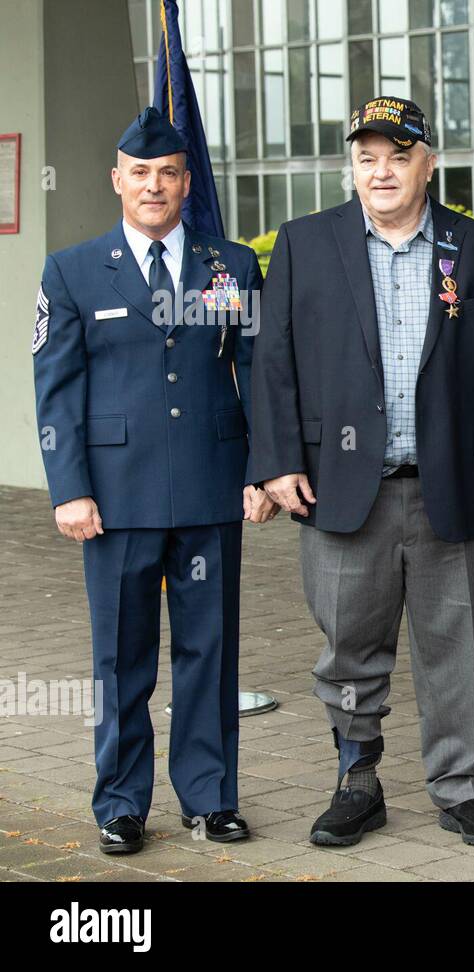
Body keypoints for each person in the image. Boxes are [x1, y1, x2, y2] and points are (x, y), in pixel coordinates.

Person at [249, 97, 474, 847]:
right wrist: (276, 463)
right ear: (353, 165)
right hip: (344, 489)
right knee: (350, 648)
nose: (381, 171)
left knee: (456, 648)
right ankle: (358, 779)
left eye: (398, 155)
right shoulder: (306, 244)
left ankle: (463, 787)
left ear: (428, 163)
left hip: (451, 482)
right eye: (367, 157)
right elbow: (273, 363)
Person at [32, 107, 272, 855]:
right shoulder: (72, 270)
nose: (154, 186)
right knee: (120, 656)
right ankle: (122, 803)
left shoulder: (230, 265)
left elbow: (260, 374)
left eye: (168, 173)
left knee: (211, 651)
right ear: (117, 181)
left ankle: (210, 797)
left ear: (185, 181)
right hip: (115, 496)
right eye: (140, 173)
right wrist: (68, 488)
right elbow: (57, 388)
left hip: (210, 484)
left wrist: (263, 471)